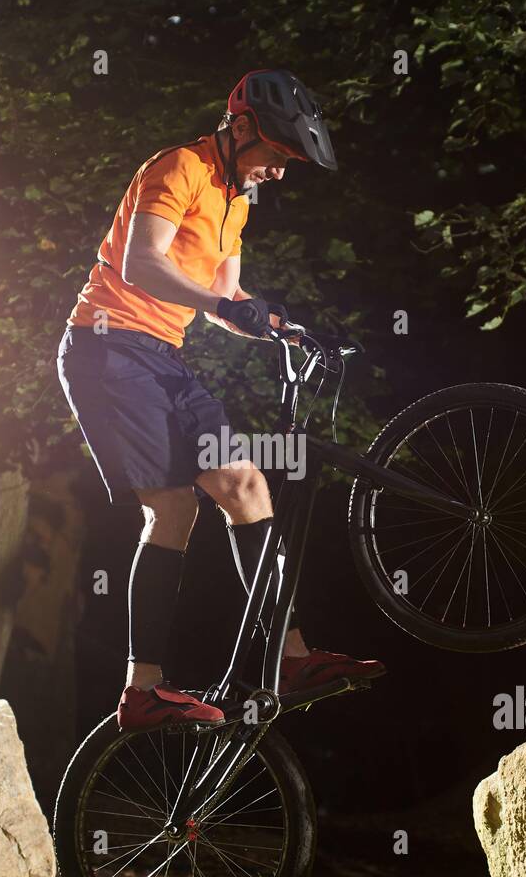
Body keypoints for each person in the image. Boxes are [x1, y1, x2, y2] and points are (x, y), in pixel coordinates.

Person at [57, 69, 384, 732]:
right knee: (173, 507)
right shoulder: (179, 166)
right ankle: (142, 690)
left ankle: (290, 658)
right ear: (240, 130)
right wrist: (215, 302)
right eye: (277, 155)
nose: (281, 173)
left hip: (163, 355)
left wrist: (279, 325)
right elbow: (140, 263)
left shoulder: (235, 200)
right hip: (107, 347)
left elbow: (224, 302)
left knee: (243, 483)